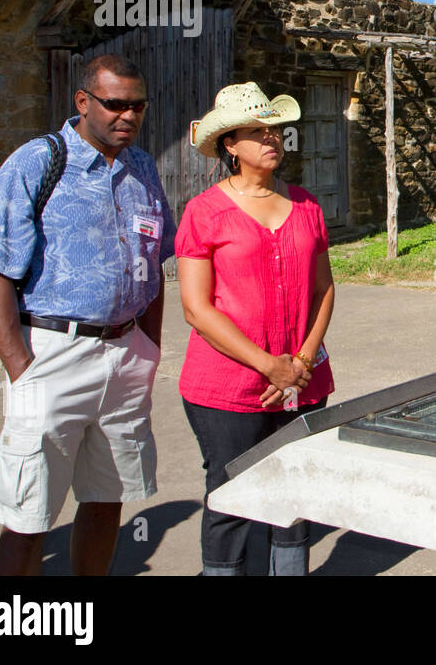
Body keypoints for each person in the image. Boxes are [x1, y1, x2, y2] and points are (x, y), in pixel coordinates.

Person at [0, 54, 174, 575]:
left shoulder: (142, 167)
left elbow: (153, 263)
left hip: (124, 355)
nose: (128, 116)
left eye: (137, 105)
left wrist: (148, 348)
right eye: (115, 104)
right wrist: (20, 368)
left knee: (107, 497)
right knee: (29, 514)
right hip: (52, 354)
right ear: (83, 102)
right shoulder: (38, 161)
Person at [178, 82, 336, 575]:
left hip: (302, 382)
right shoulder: (203, 213)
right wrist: (269, 365)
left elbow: (324, 290)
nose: (272, 139)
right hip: (226, 386)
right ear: (230, 145)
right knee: (233, 496)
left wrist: (302, 361)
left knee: (293, 490)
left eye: (275, 130)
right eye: (257, 132)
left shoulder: (308, 206)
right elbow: (196, 309)